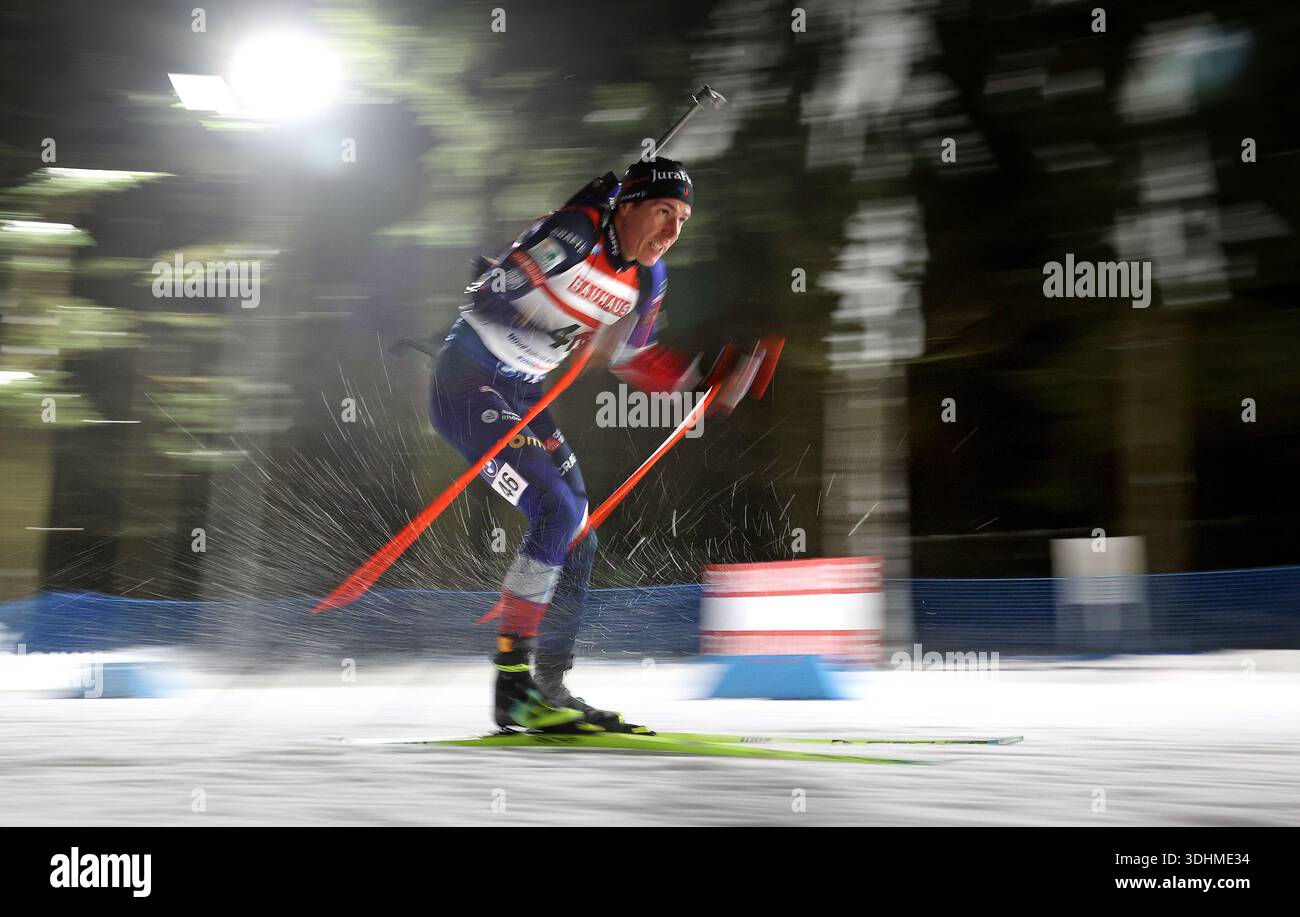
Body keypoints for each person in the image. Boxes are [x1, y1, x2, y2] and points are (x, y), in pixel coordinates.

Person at [429, 157, 750, 733]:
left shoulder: (650, 277)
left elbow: (628, 355)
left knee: (579, 534)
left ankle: (548, 686)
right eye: (662, 213)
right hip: (467, 378)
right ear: (627, 206)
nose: (672, 232)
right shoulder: (575, 230)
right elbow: (487, 295)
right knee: (555, 509)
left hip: (522, 392)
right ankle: (512, 688)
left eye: (682, 220)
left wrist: (702, 384)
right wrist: (556, 322)